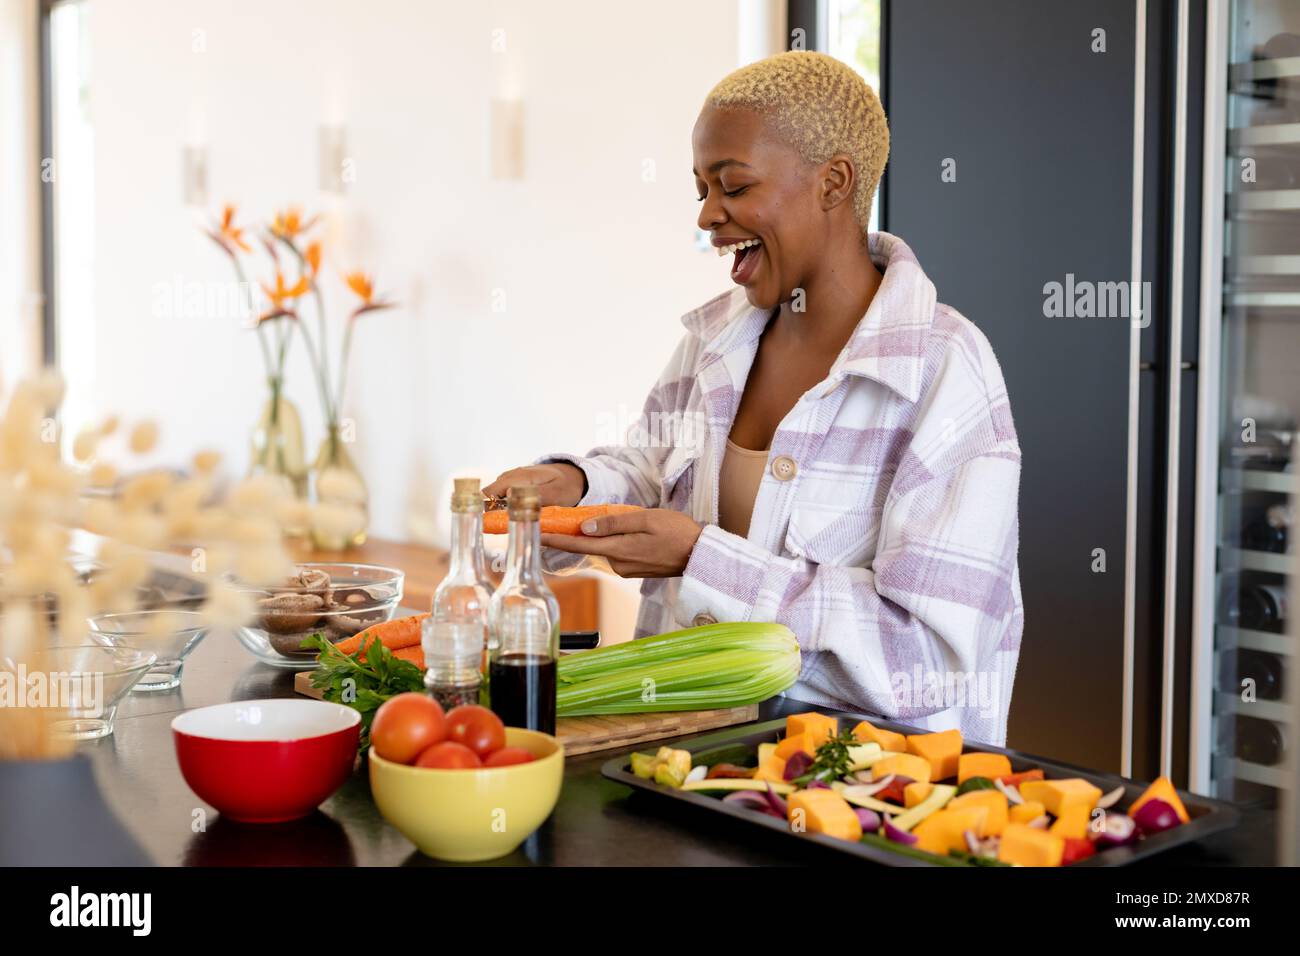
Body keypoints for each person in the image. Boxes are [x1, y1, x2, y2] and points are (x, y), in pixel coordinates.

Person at [484, 51, 1023, 744]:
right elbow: (650, 472)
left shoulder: (945, 372)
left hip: (858, 799)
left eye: (732, 185)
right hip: (684, 764)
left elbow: (926, 657)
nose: (709, 215)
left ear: (833, 183)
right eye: (701, 189)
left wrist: (700, 559)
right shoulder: (714, 339)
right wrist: (573, 485)